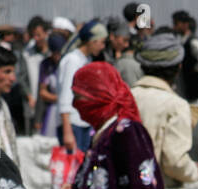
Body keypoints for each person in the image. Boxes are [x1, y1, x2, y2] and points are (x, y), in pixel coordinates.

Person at [131, 33, 198, 189]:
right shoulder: (175, 105)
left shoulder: (127, 97)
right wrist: (194, 171)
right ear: (177, 68)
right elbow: (174, 161)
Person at [57, 19, 108, 151]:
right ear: (92, 41)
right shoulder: (73, 61)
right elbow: (66, 96)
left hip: (83, 122)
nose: (103, 47)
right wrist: (67, 131)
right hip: (73, 124)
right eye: (102, 42)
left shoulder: (86, 60)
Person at [34, 32, 65, 135]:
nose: (57, 57)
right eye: (55, 53)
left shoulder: (67, 63)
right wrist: (38, 119)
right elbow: (42, 92)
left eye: (59, 53)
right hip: (52, 109)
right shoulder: (46, 65)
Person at [104, 21, 142, 86]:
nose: (126, 45)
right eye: (125, 40)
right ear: (112, 36)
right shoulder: (100, 54)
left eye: (128, 41)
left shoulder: (120, 51)